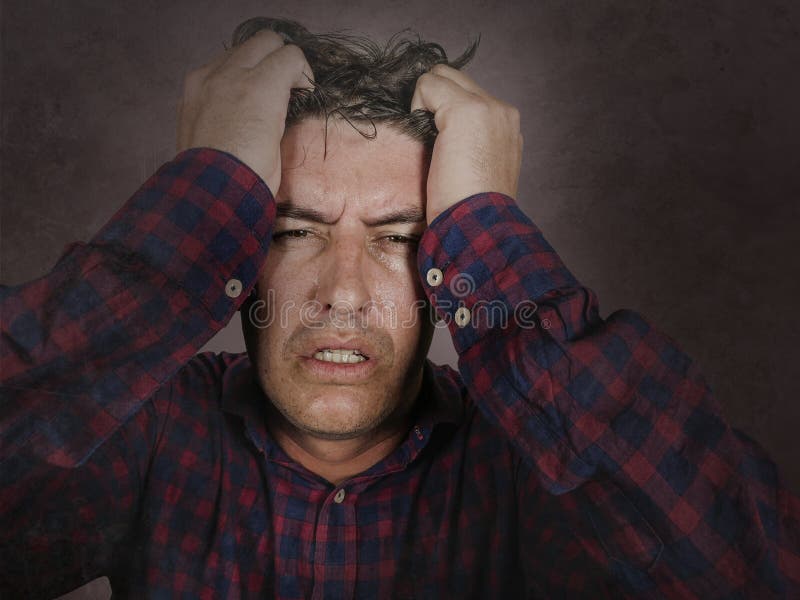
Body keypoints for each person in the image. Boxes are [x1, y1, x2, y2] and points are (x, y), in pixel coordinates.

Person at [1, 16, 798, 599]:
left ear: (448, 267)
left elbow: (751, 573)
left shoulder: (534, 464)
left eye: (398, 239)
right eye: (292, 230)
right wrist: (201, 198)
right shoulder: (147, 425)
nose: (343, 292)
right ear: (242, 251)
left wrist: (485, 215)